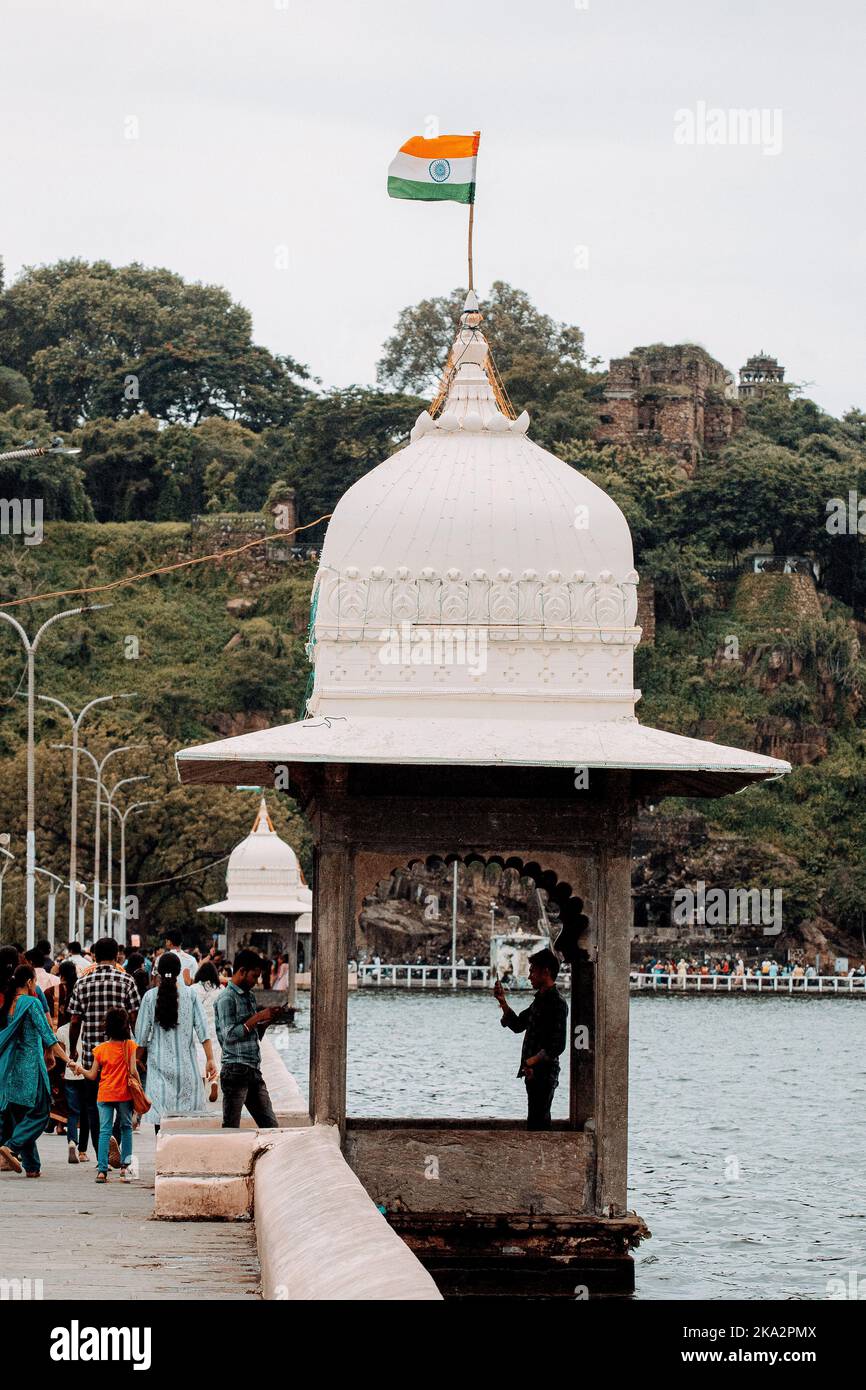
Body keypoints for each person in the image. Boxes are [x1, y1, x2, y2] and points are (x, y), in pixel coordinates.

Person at [0, 965, 81, 1175]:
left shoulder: (9, 1004)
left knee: (21, 1115)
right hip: (31, 1067)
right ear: (29, 982)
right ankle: (10, 1146)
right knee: (41, 1112)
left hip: (11, 1067)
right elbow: (48, 1035)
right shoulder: (31, 1002)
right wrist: (68, 1060)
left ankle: (32, 1167)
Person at [68, 937, 140, 1164]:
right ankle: (115, 1139)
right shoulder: (126, 980)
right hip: (121, 1056)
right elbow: (134, 1017)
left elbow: (75, 1020)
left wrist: (73, 1049)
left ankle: (102, 1147)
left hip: (93, 1055)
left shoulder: (82, 982)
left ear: (95, 956)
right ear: (117, 956)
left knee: (94, 1104)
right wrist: (137, 1050)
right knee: (124, 1103)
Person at [134, 952, 217, 1130]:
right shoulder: (191, 995)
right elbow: (204, 1031)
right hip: (187, 1070)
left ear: (158, 972)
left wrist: (136, 1061)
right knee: (184, 1124)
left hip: (159, 1071)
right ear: (179, 971)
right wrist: (210, 1059)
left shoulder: (149, 997)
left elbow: (141, 1037)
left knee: (161, 1123)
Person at [493, 947, 568, 1131]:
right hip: (533, 1073)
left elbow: (557, 1046)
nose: (529, 976)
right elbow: (518, 1024)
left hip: (544, 1074)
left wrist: (531, 1061)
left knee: (539, 1123)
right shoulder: (539, 1001)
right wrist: (502, 1002)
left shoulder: (557, 1003)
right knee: (535, 1121)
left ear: (546, 972)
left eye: (532, 971)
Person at [214, 949, 283, 1129]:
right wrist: (259, 1017)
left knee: (271, 1126)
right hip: (235, 1070)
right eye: (254, 976)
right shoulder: (226, 998)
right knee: (230, 1126)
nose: (256, 981)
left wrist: (268, 1021)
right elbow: (229, 1036)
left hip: (252, 1069)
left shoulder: (250, 997)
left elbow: (253, 1035)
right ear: (242, 971)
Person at [80, 1007, 140, 1183]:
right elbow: (134, 1071)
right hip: (124, 1094)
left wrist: (79, 1069)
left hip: (105, 1093)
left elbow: (92, 1075)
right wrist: (140, 1088)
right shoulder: (130, 1046)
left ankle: (102, 1171)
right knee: (126, 1128)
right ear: (125, 1026)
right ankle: (125, 1166)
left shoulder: (100, 1049)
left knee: (104, 1131)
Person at [55, 1016, 90, 1162]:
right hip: (87, 1074)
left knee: (73, 1112)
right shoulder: (88, 1028)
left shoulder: (62, 1030)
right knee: (86, 1113)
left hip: (70, 1075)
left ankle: (71, 1142)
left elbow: (60, 1055)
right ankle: (82, 1152)